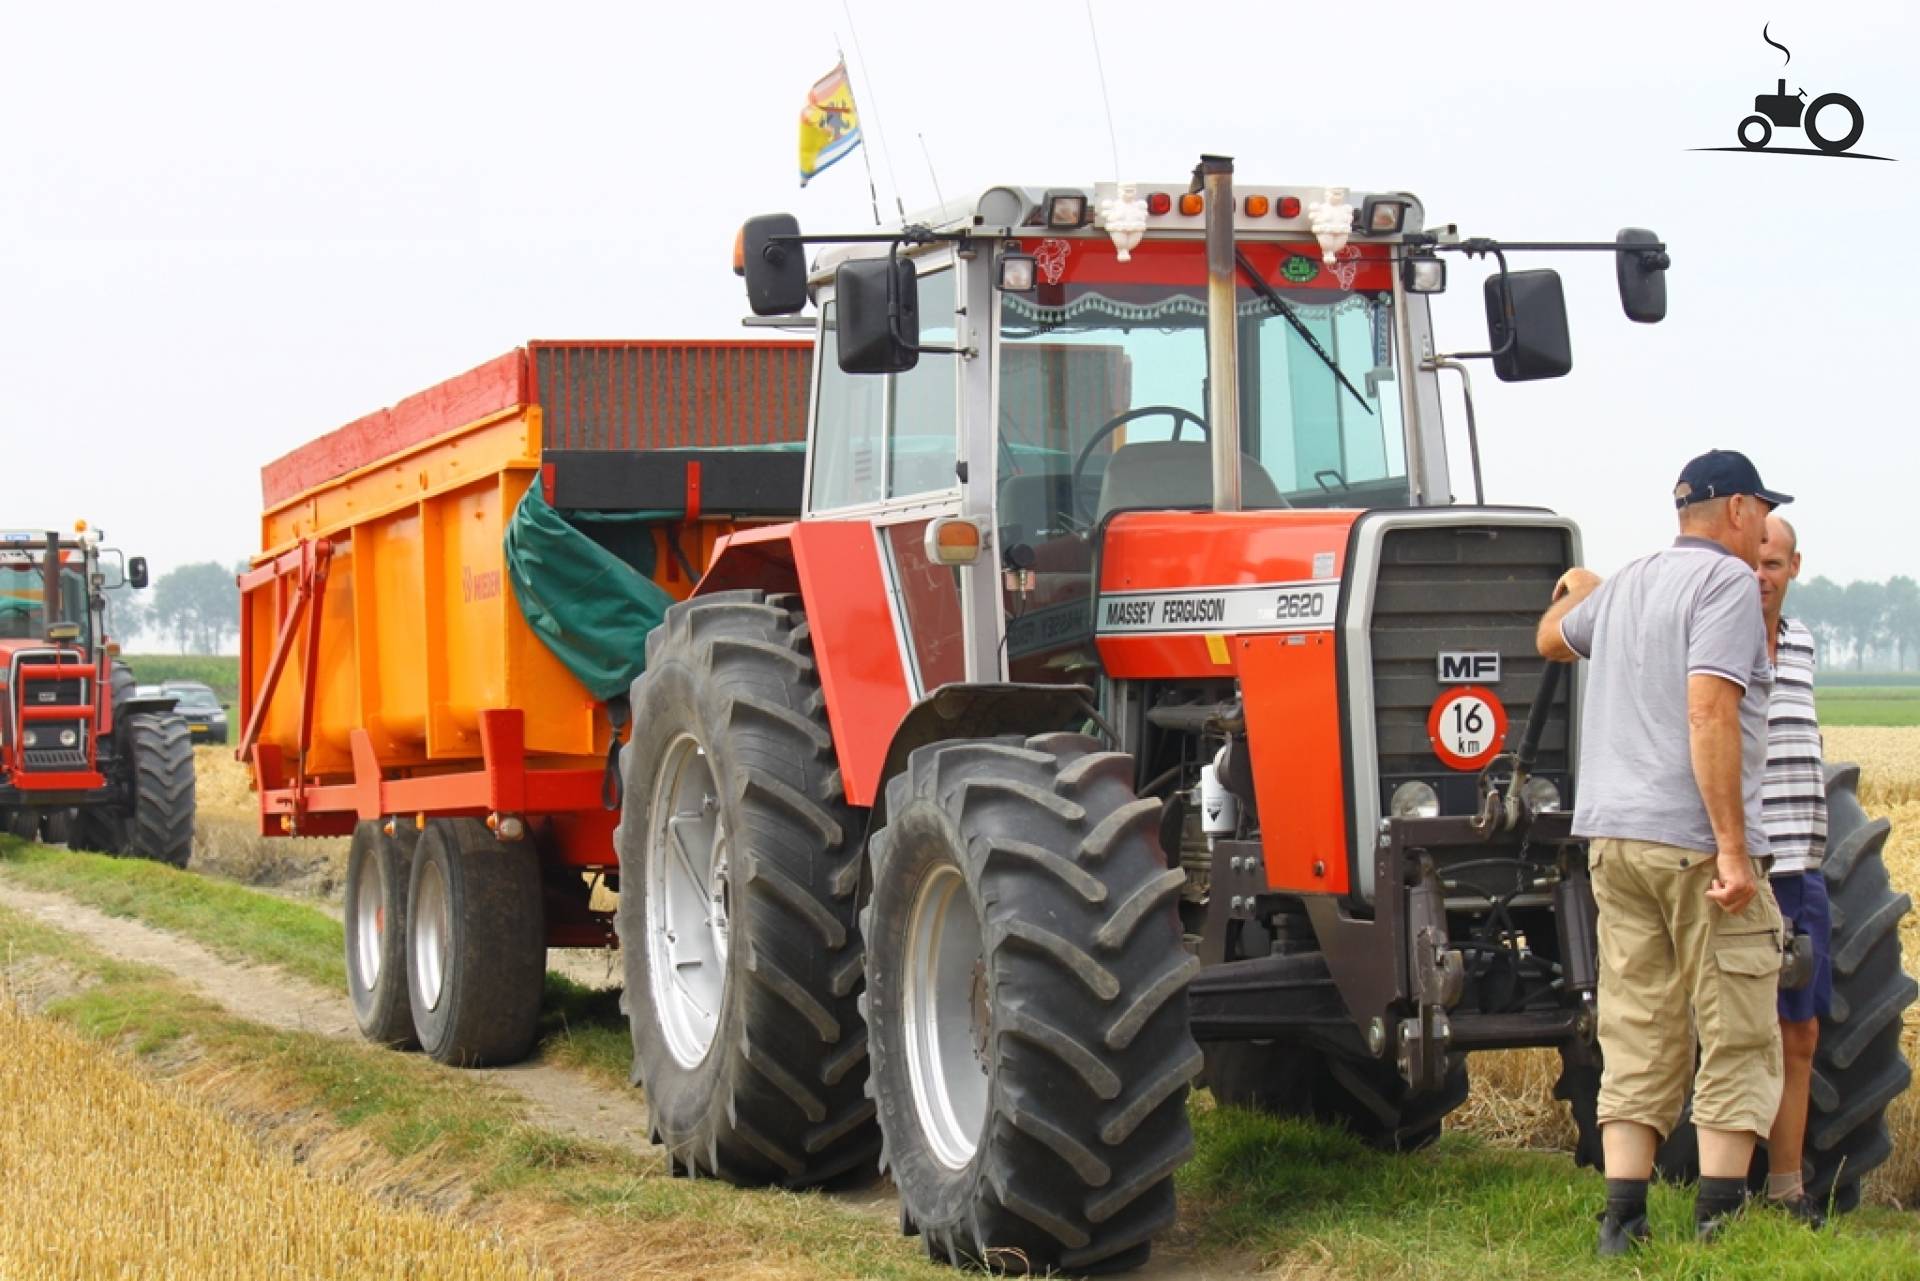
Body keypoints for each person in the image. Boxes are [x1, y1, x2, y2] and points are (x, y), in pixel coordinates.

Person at [1536, 449, 1790, 1256]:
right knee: (1737, 1023)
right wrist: (1733, 851)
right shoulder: (1726, 585)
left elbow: (1549, 637)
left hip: (1614, 841)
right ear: (1738, 509)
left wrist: (1580, 590)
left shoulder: (1630, 582)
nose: (1764, 530)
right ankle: (1719, 1222)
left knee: (1638, 1021)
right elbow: (1710, 712)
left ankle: (1623, 1220)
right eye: (1762, 512)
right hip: (1691, 844)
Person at [1757, 512, 1832, 1225]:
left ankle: (1788, 1190)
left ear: (1794, 567)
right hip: (1749, 865)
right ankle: (1718, 1184)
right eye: (1751, 562)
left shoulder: (1803, 641)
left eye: (1773, 563)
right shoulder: (1718, 641)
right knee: (1739, 1031)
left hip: (1803, 864)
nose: (1761, 576)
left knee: (1799, 1030)